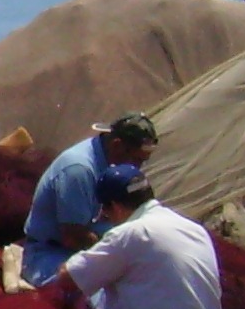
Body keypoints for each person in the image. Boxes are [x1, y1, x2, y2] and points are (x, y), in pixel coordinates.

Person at [51, 167, 222, 309]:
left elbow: (68, 278)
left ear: (115, 207)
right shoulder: (193, 228)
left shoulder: (130, 233)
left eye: (106, 214)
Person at [20, 111, 157, 284]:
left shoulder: (112, 165)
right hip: (51, 255)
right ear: (116, 145)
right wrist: (118, 254)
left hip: (93, 249)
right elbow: (74, 237)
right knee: (104, 300)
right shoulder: (79, 170)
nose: (138, 167)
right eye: (136, 160)